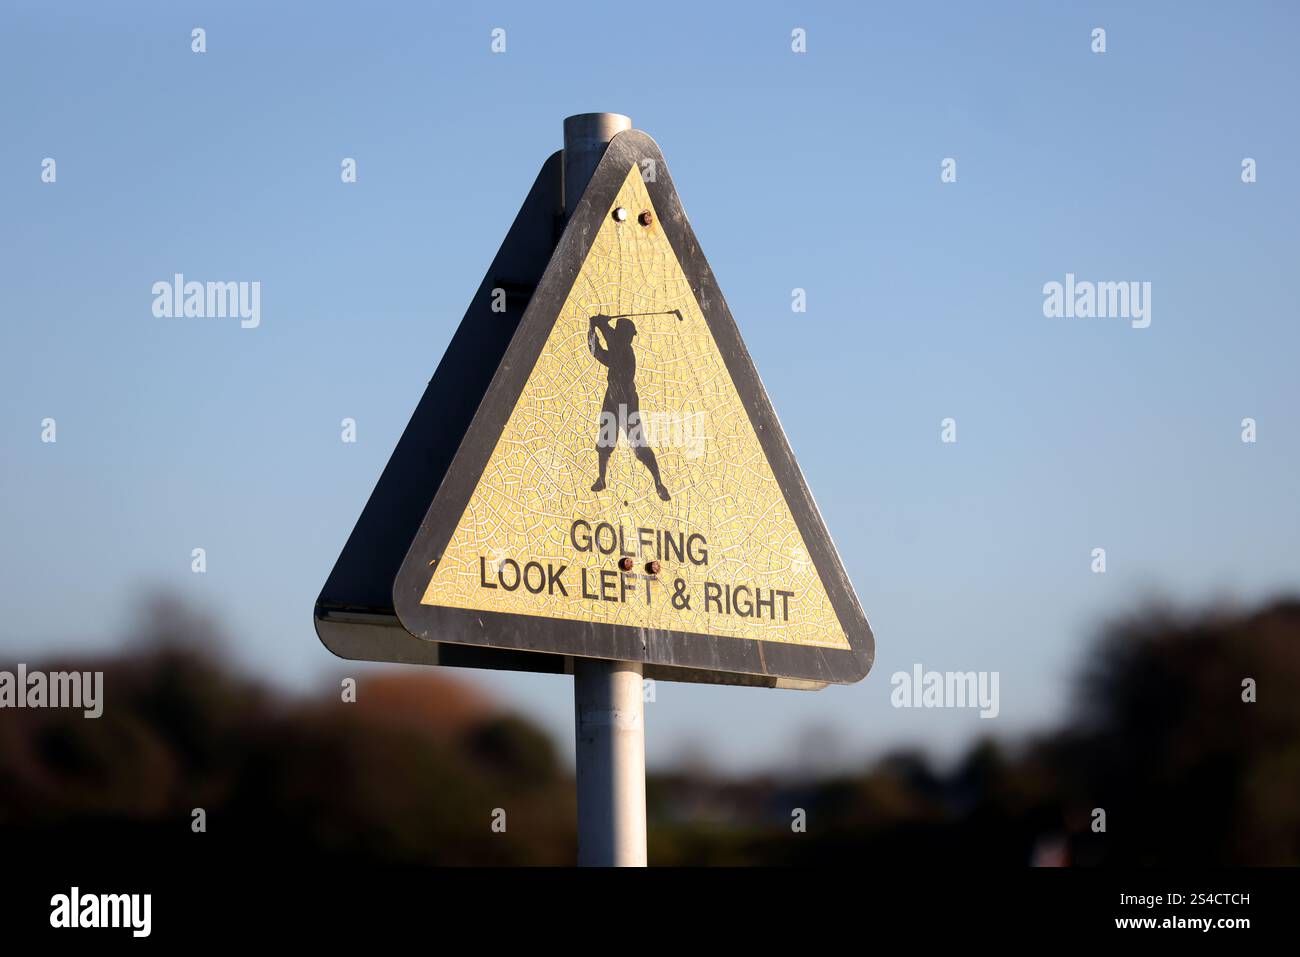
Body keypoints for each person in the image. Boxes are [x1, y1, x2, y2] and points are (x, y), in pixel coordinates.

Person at [587, 314, 671, 501]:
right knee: (605, 440)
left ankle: (658, 482)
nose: (632, 338)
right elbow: (596, 352)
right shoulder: (617, 350)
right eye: (630, 334)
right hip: (612, 397)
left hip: (626, 401)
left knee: (639, 446)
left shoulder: (625, 350)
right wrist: (592, 329)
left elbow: (613, 340)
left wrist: (601, 324)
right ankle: (601, 478)